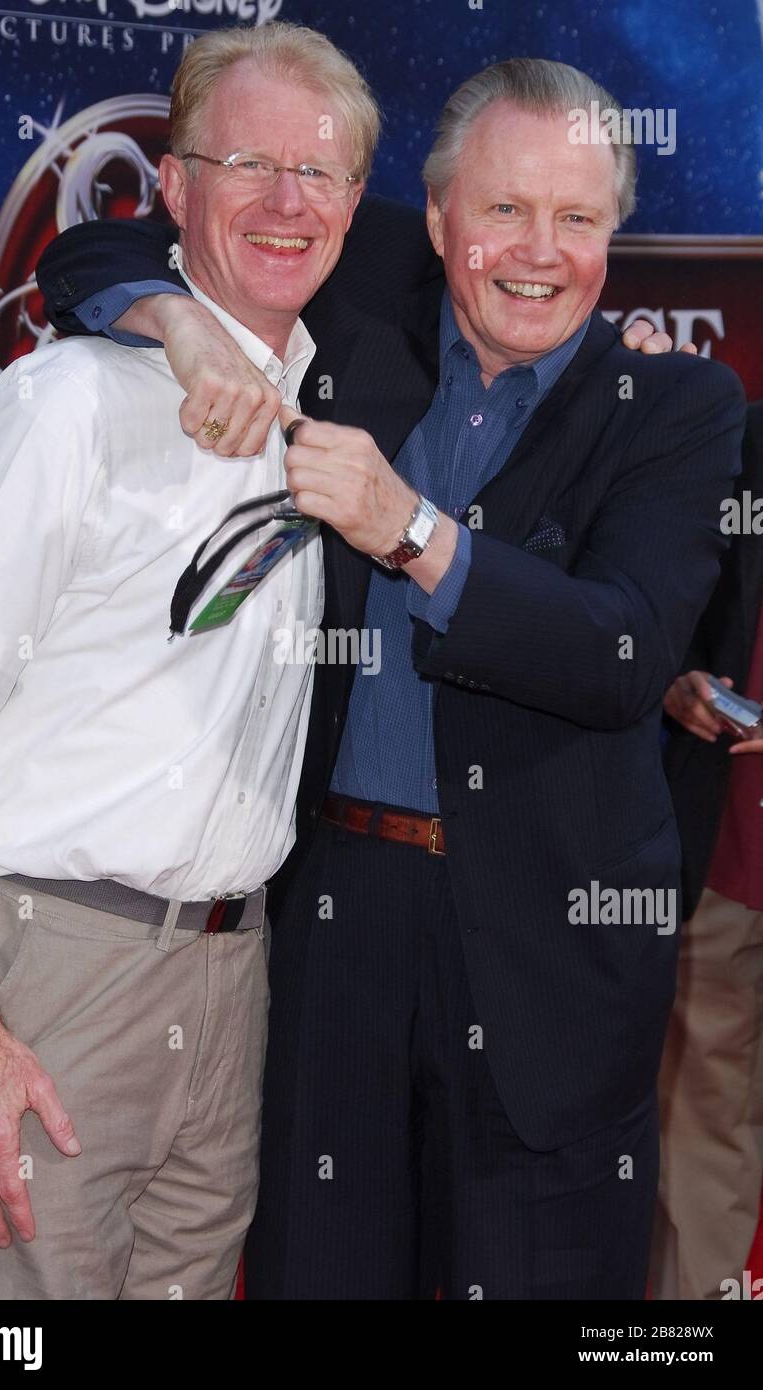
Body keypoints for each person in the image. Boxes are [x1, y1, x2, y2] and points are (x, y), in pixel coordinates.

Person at [38, 57, 743, 1299]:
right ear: (430, 218)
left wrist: (409, 529)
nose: (538, 250)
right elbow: (94, 255)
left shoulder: (674, 407)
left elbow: (618, 651)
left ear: (613, 233)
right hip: (332, 925)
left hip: (550, 960)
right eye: (503, 209)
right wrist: (186, 327)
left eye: (576, 218)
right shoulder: (353, 302)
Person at [0, 22, 377, 1300]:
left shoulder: (332, 406)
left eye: (318, 174)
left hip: (229, 983)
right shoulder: (67, 406)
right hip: (43, 975)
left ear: (355, 203)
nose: (286, 202)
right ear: (173, 186)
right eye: (246, 165)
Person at [652, 401, 763, 1300]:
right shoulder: (730, 435)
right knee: (700, 1127)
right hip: (726, 853)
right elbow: (652, 601)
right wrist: (677, 680)